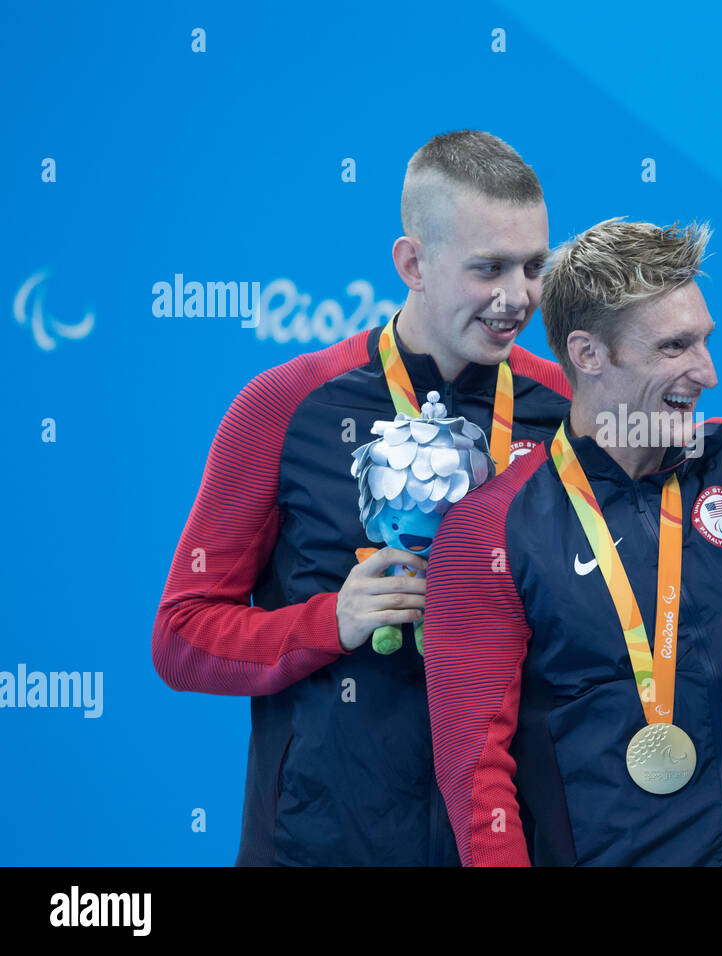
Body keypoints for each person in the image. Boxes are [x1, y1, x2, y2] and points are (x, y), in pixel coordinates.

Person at [424, 217, 722, 866]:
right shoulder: (493, 528)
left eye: (705, 341)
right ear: (588, 353)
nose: (707, 373)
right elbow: (476, 773)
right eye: (674, 348)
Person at [151, 130, 572, 866]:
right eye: (489, 268)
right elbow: (182, 638)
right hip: (323, 840)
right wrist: (329, 622)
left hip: (514, 837)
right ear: (411, 262)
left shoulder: (571, 409)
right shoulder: (284, 406)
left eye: (534, 266)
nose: (518, 298)